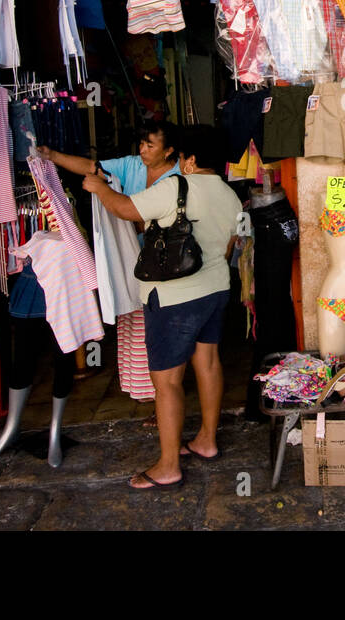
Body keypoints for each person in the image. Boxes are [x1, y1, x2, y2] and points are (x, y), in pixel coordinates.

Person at [82, 125, 242, 489]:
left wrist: (100, 188)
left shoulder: (175, 187)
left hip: (172, 296)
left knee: (167, 381)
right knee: (209, 362)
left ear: (192, 159)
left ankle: (169, 465)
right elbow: (230, 244)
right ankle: (207, 439)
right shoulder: (232, 197)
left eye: (184, 156)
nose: (182, 162)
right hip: (216, 290)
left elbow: (125, 209)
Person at [37, 122, 182, 420]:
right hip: (131, 259)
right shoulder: (131, 166)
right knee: (132, 317)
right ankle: (141, 387)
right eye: (141, 144)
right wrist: (52, 156)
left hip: (166, 263)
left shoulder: (179, 174)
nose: (142, 150)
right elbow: (91, 167)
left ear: (169, 151)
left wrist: (115, 200)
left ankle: (164, 393)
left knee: (158, 328)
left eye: (150, 146)